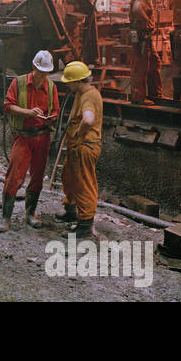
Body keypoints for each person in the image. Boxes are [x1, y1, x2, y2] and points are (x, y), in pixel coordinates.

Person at [0, 50, 59, 232]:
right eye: (40, 71)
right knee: (14, 176)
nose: (42, 75)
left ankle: (30, 214)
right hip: (23, 136)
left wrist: (51, 118)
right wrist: (28, 112)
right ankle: (6, 219)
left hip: (42, 136)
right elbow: (7, 105)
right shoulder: (19, 83)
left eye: (46, 72)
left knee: (37, 177)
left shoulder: (51, 87)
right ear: (34, 67)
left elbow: (55, 111)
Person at [55, 61, 103, 238]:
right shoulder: (82, 93)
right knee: (69, 178)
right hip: (77, 147)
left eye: (69, 82)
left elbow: (88, 120)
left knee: (84, 185)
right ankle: (71, 211)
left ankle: (84, 226)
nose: (67, 84)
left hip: (85, 146)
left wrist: (77, 135)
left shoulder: (89, 97)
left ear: (77, 81)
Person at [128, 0, 163, 104]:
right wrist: (147, 21)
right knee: (140, 66)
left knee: (154, 62)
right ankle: (138, 98)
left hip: (145, 36)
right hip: (142, 35)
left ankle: (155, 94)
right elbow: (137, 9)